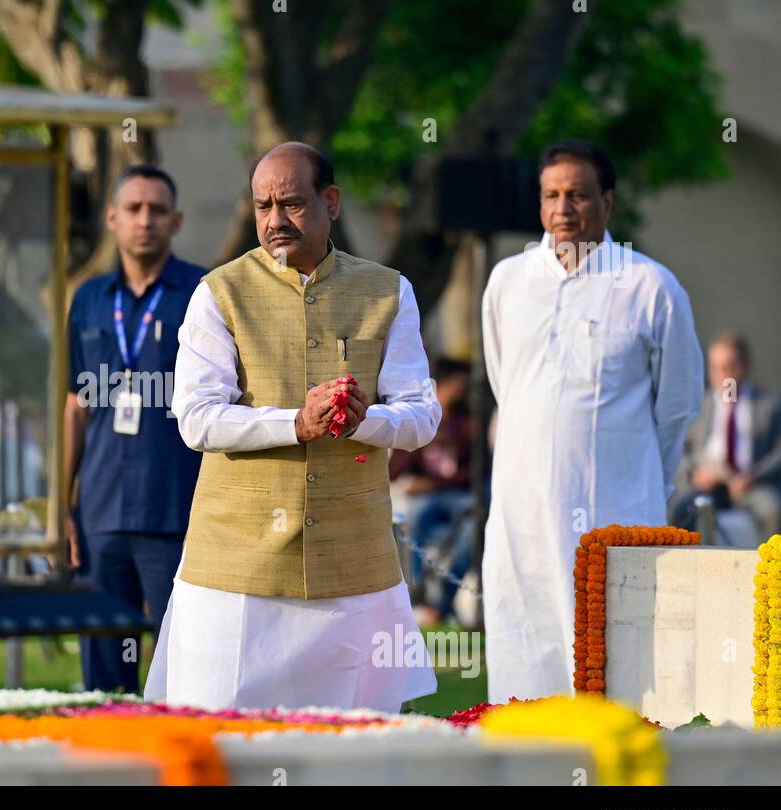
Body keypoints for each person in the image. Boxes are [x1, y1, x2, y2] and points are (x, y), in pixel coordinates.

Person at [143, 144, 439, 711]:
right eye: (263, 206)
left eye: (292, 204)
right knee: (224, 743)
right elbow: (197, 418)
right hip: (237, 565)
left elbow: (421, 415)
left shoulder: (387, 291)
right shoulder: (219, 293)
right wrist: (295, 423)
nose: (275, 221)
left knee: (351, 751)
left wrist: (366, 420)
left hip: (352, 564)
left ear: (331, 202)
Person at [481, 139, 704, 703]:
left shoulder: (650, 285)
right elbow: (506, 383)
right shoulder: (509, 280)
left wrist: (651, 478)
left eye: (578, 195)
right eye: (551, 195)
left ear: (607, 202)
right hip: (522, 505)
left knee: (615, 654)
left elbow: (677, 402)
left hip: (616, 501)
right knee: (525, 640)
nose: (563, 209)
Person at [63, 165, 207, 695]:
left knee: (183, 667)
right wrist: (63, 507)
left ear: (176, 220)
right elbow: (75, 405)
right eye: (134, 208)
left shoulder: (202, 292)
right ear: (112, 219)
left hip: (177, 509)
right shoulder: (89, 299)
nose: (145, 220)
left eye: (157, 210)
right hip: (99, 511)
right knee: (103, 673)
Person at [389, 356, 475, 620]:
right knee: (414, 521)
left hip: (460, 496)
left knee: (472, 529)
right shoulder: (423, 419)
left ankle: (442, 602)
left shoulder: (468, 423)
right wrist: (422, 437)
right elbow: (394, 471)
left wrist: (433, 484)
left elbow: (477, 472)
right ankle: (418, 597)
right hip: (425, 500)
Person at [671, 332, 781, 540]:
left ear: (746, 366)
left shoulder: (769, 405)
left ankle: (772, 570)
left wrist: (754, 476)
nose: (724, 375)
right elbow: (680, 449)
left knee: (773, 510)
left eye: (730, 366)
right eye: (717, 367)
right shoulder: (699, 405)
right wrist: (695, 474)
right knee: (679, 507)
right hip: (706, 484)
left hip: (751, 485)